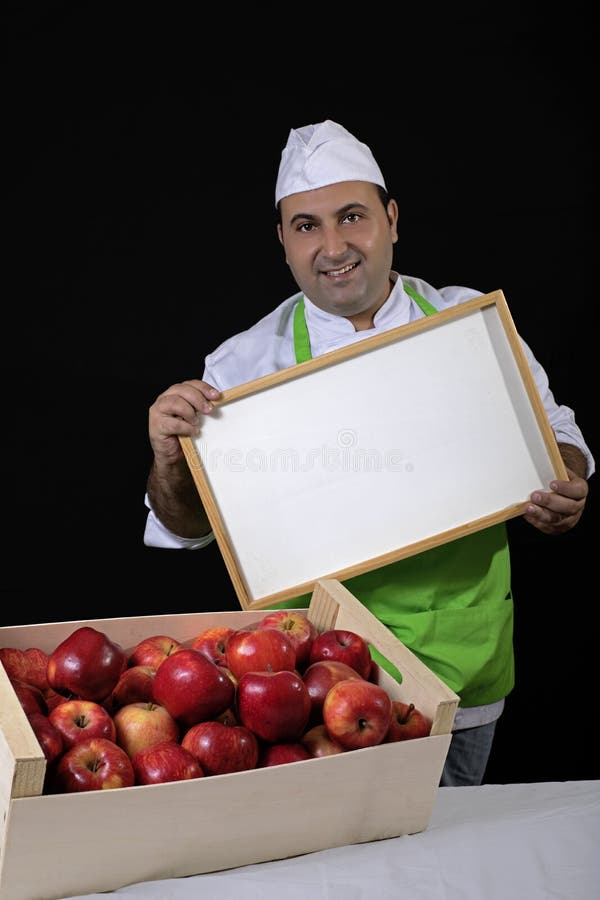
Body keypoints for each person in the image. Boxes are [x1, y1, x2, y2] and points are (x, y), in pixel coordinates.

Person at [144, 120, 594, 786]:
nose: (333, 246)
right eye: (307, 226)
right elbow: (189, 527)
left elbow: (558, 438)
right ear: (283, 242)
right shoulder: (242, 364)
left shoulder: (467, 326)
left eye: (351, 217)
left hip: (457, 661)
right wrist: (169, 456)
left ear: (390, 219)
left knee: (445, 864)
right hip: (303, 685)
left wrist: (563, 485)